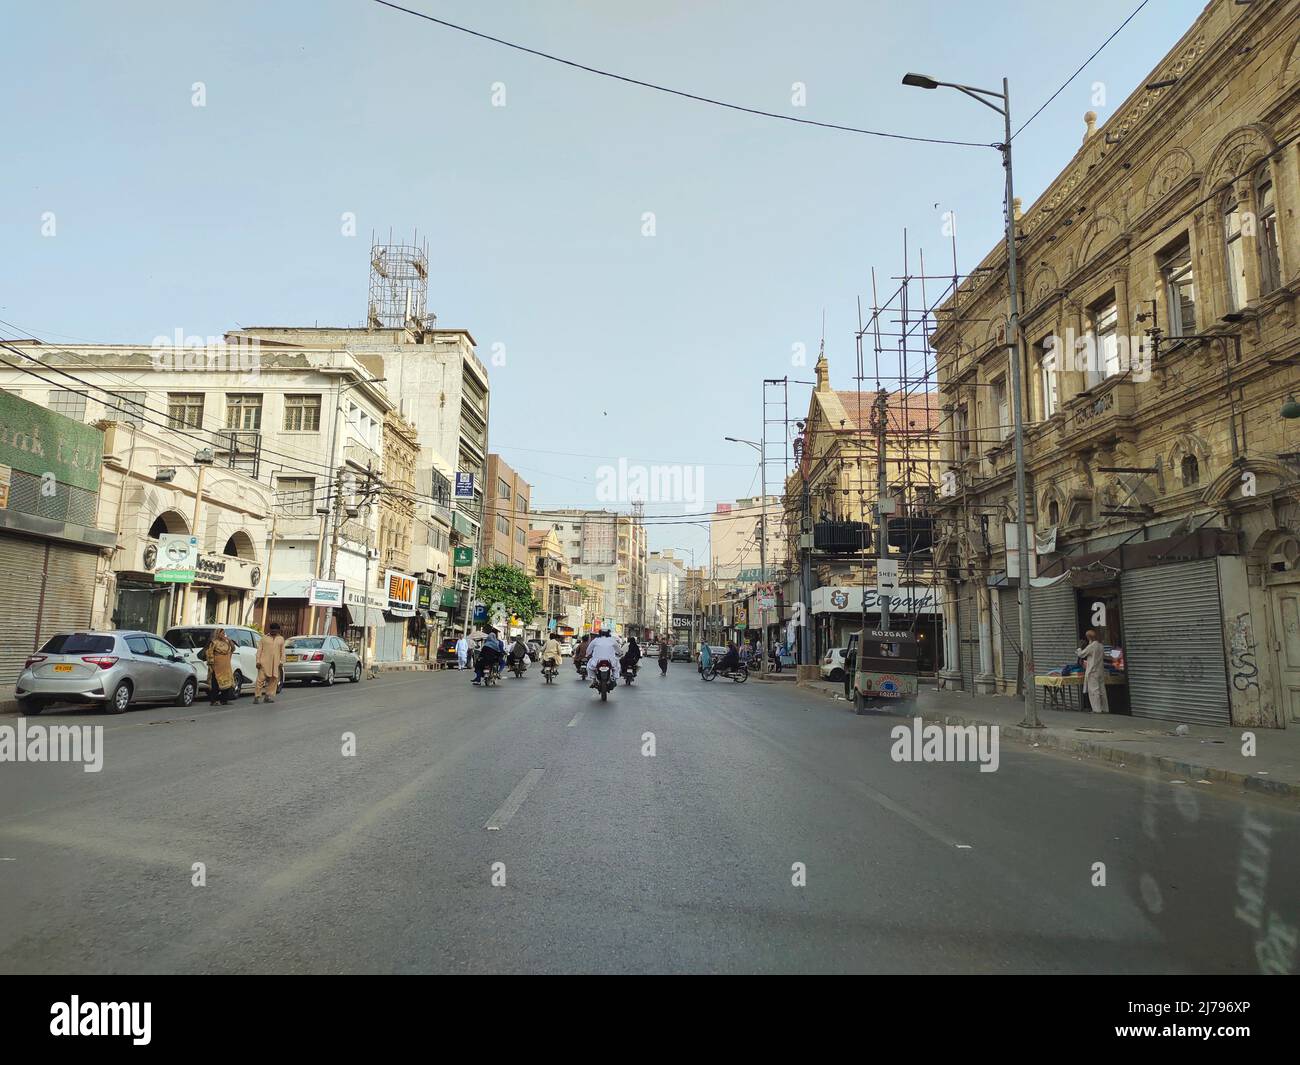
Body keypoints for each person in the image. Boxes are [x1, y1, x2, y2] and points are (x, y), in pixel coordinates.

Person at [1078, 628, 1109, 714]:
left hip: (1092, 671)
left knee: (1094, 690)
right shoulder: (1100, 646)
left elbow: (1081, 654)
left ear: (1089, 637)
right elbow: (1104, 657)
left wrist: (1080, 647)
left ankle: (1097, 709)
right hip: (1100, 670)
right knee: (1102, 689)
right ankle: (1105, 708)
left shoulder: (1091, 646)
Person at [254, 622, 286, 704]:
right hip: (264, 663)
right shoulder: (264, 638)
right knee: (260, 680)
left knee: (273, 680)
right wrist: (258, 661)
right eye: (272, 630)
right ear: (270, 629)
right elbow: (259, 651)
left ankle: (267, 696)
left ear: (278, 630)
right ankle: (257, 696)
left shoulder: (281, 639)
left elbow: (282, 652)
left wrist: (282, 662)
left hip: (276, 664)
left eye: (275, 630)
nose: (273, 631)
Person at [204, 627, 236, 705]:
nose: (223, 634)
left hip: (226, 666)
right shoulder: (214, 642)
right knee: (215, 683)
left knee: (227, 683)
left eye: (224, 633)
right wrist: (211, 663)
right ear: (218, 634)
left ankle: (224, 700)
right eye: (221, 633)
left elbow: (233, 648)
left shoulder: (226, 642)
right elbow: (209, 652)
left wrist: (229, 640)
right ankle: (213, 701)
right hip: (217, 666)